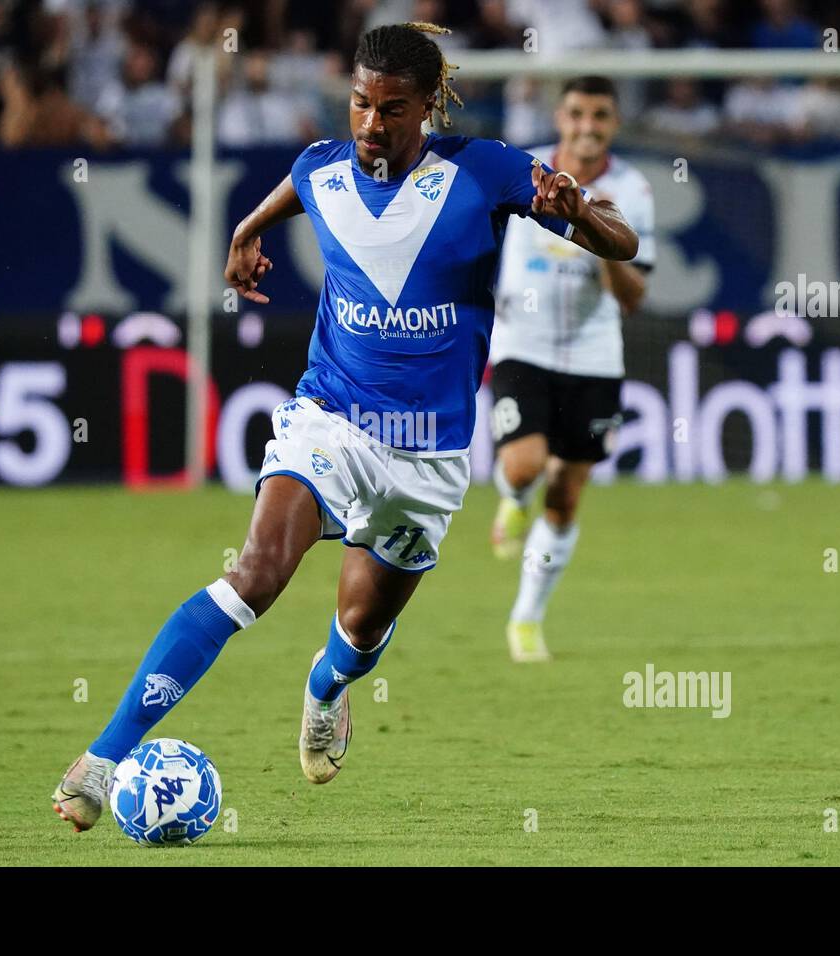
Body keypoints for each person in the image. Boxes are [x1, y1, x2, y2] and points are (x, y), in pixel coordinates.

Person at [52, 21, 637, 831]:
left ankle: (326, 689)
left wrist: (577, 211)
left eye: (392, 109)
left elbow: (625, 241)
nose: (371, 124)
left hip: (428, 457)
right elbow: (295, 186)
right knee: (255, 572)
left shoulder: (488, 172)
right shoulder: (322, 165)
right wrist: (245, 232)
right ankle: (101, 760)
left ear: (429, 106)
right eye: (360, 104)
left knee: (362, 626)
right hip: (330, 419)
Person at [487, 76, 656, 663]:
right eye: (578, 114)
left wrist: (597, 236)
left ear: (614, 123)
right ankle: (511, 492)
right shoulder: (523, 171)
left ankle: (527, 618)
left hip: (593, 354)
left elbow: (633, 298)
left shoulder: (631, 189)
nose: (588, 126)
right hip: (521, 343)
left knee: (565, 497)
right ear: (560, 117)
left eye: (601, 116)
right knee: (526, 462)